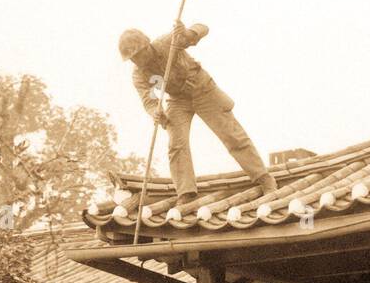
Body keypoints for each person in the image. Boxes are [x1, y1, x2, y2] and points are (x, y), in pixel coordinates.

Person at [119, 21, 277, 205]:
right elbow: (148, 101)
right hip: (178, 100)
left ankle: (264, 178)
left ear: (147, 45)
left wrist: (187, 33)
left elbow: (203, 28)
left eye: (138, 54)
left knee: (231, 135)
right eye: (131, 58)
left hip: (203, 89)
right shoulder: (138, 74)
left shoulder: (166, 42)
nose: (136, 60)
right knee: (176, 145)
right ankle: (186, 193)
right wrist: (156, 111)